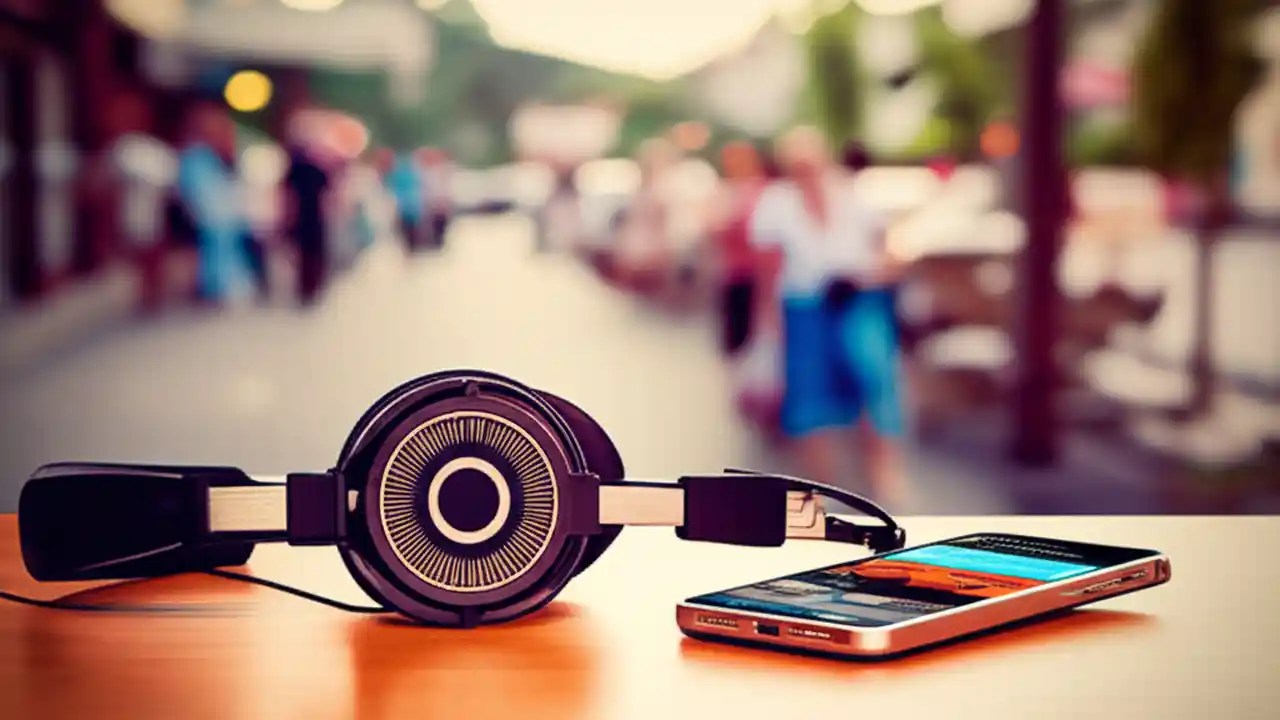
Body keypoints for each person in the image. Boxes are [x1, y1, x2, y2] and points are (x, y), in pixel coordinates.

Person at [748, 127, 910, 507]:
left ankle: (883, 473)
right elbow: (767, 272)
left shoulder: (853, 197)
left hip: (857, 303)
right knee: (809, 397)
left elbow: (889, 254)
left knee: (875, 383)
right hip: (805, 309)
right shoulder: (777, 204)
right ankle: (817, 487)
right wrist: (768, 327)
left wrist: (864, 275)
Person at [175, 102, 255, 306]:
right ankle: (215, 289)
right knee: (215, 254)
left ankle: (221, 288)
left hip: (222, 215)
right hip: (213, 215)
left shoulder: (208, 157)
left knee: (221, 252)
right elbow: (195, 191)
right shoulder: (196, 158)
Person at [282, 119, 333, 306]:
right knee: (312, 253)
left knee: (307, 253)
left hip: (305, 217)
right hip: (312, 217)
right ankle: (311, 286)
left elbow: (288, 195)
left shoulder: (296, 168)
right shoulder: (315, 169)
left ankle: (308, 287)